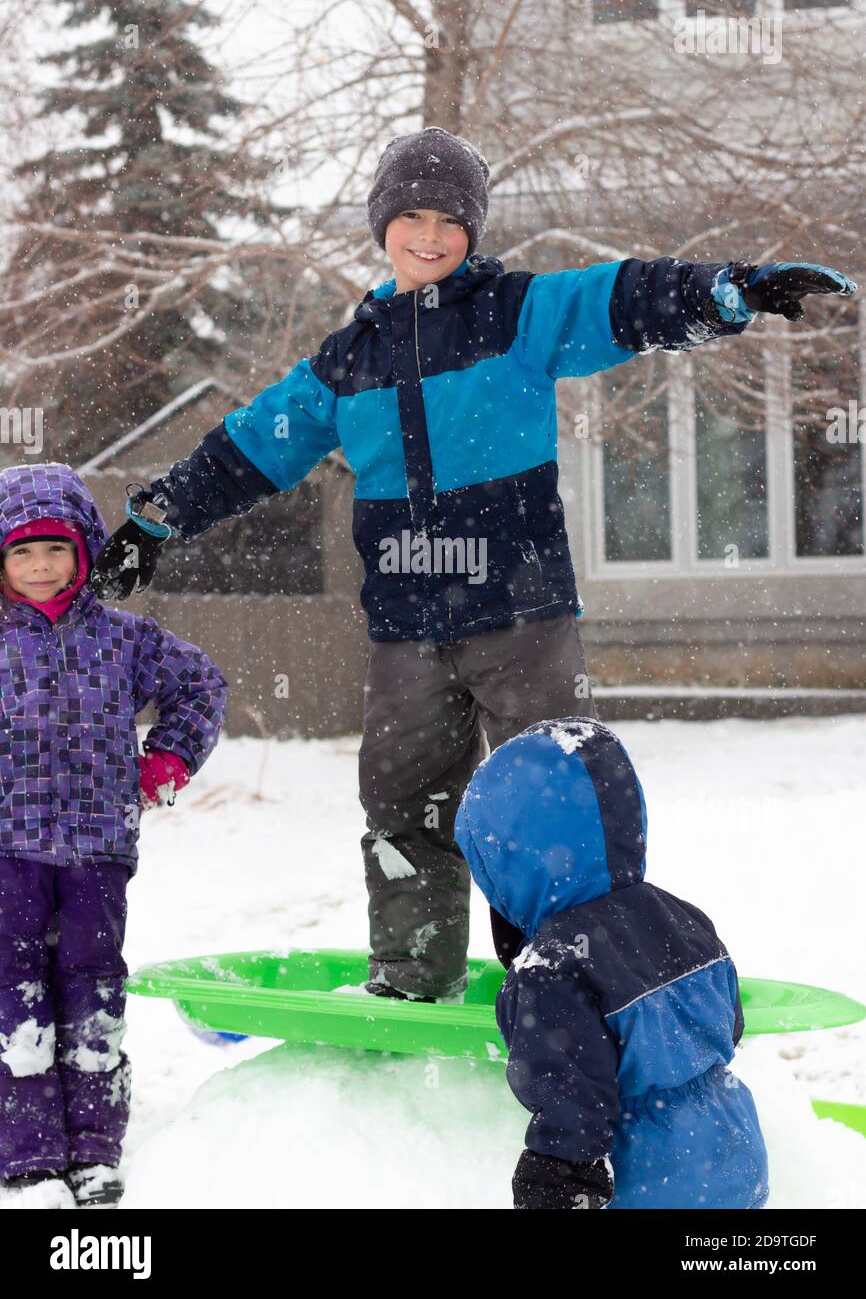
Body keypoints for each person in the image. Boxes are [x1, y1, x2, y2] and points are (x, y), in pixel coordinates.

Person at [88, 125, 856, 1003]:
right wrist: (155, 521)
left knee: (555, 803)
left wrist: (729, 291)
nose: (428, 235)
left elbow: (622, 298)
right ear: (382, 226)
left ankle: (568, 982)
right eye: (409, 215)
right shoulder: (346, 364)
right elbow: (248, 449)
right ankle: (414, 979)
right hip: (407, 633)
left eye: (448, 219)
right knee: (402, 805)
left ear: (473, 231)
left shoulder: (515, 317)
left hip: (522, 616)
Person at [0, 463, 227, 1209]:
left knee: (92, 989)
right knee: (14, 996)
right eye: (22, 553)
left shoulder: (122, 639)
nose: (40, 568)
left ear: (86, 552)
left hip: (98, 846)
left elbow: (201, 685)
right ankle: (28, 1152)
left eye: (56, 551)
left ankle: (95, 1149)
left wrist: (165, 759)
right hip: (7, 851)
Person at [454, 714, 770, 1211]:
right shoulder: (681, 916)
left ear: (507, 863)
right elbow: (730, 1028)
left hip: (653, 1180)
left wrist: (555, 1179)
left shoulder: (552, 965)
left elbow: (568, 1096)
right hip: (737, 1152)